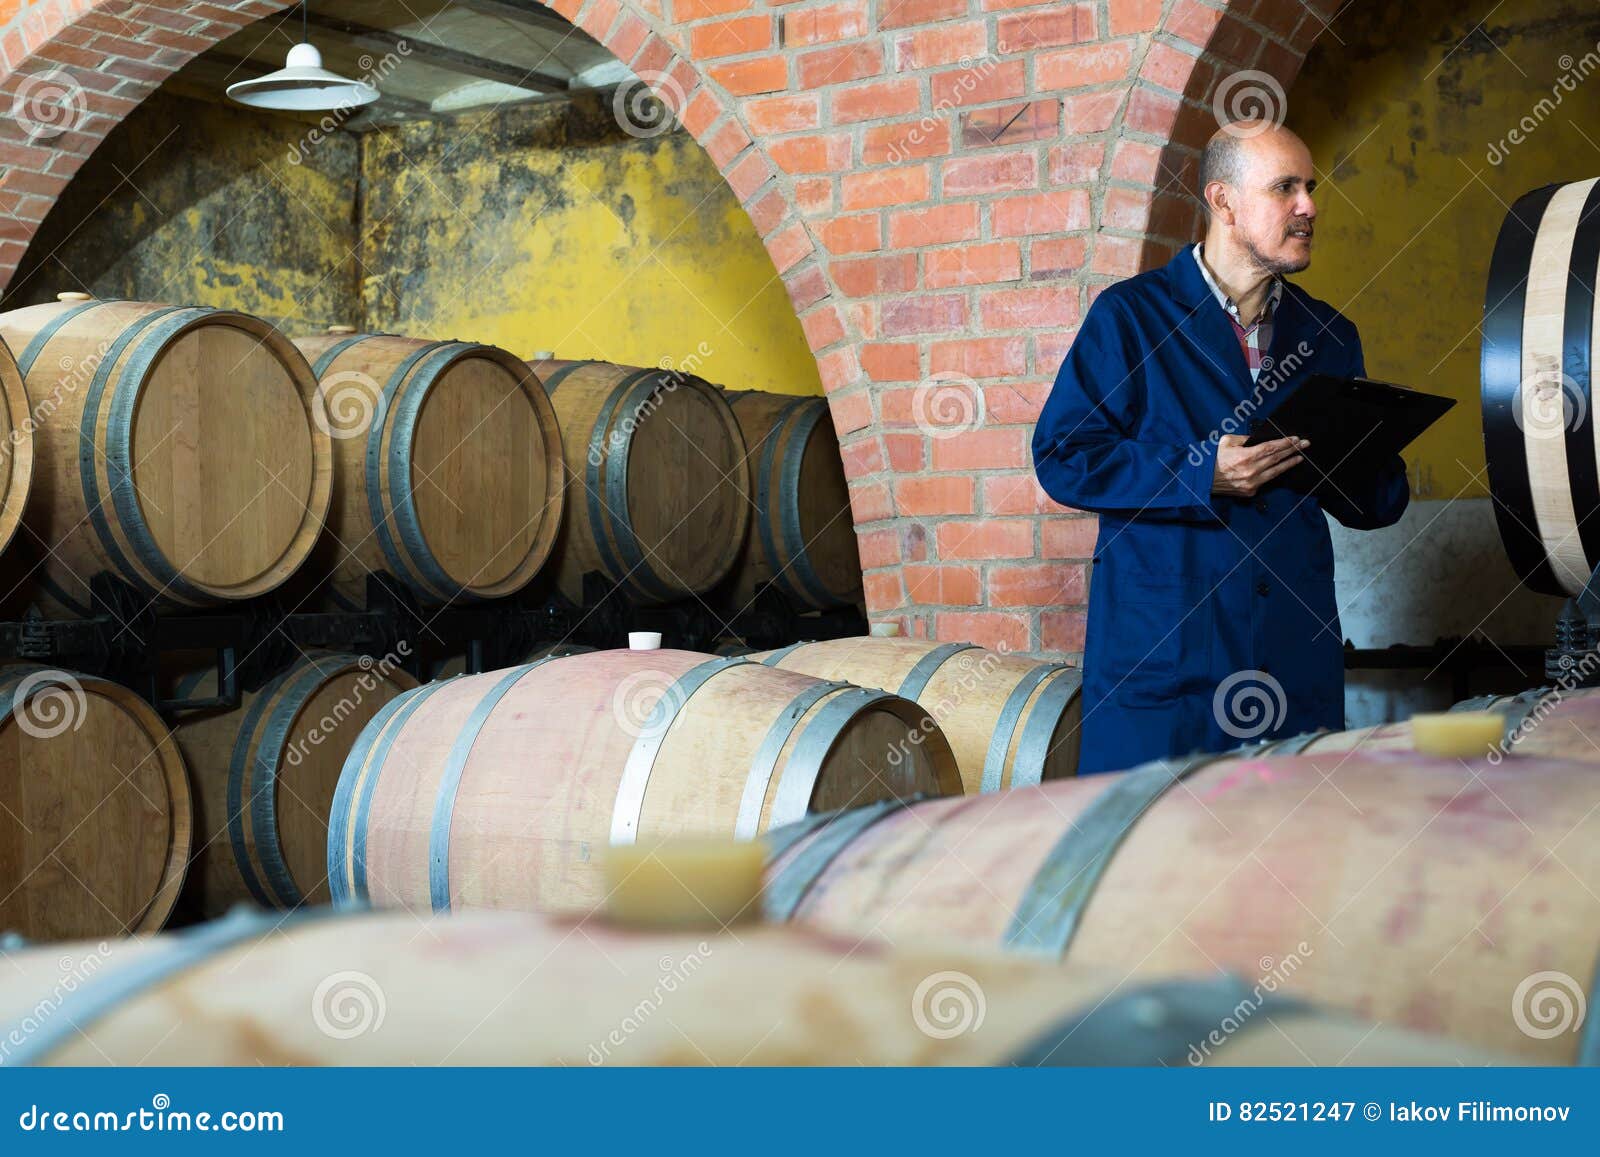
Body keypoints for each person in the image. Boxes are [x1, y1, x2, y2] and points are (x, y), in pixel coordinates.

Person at [1032, 119, 1409, 774]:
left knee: (1293, 837)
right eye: (1285, 188)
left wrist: (1365, 449)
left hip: (1293, 665)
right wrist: (1201, 473)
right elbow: (1064, 455)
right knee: (1156, 838)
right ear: (1223, 201)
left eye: (1310, 188)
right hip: (1167, 668)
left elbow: (1375, 502)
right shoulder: (1130, 317)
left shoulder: (1328, 335)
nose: (1309, 206)